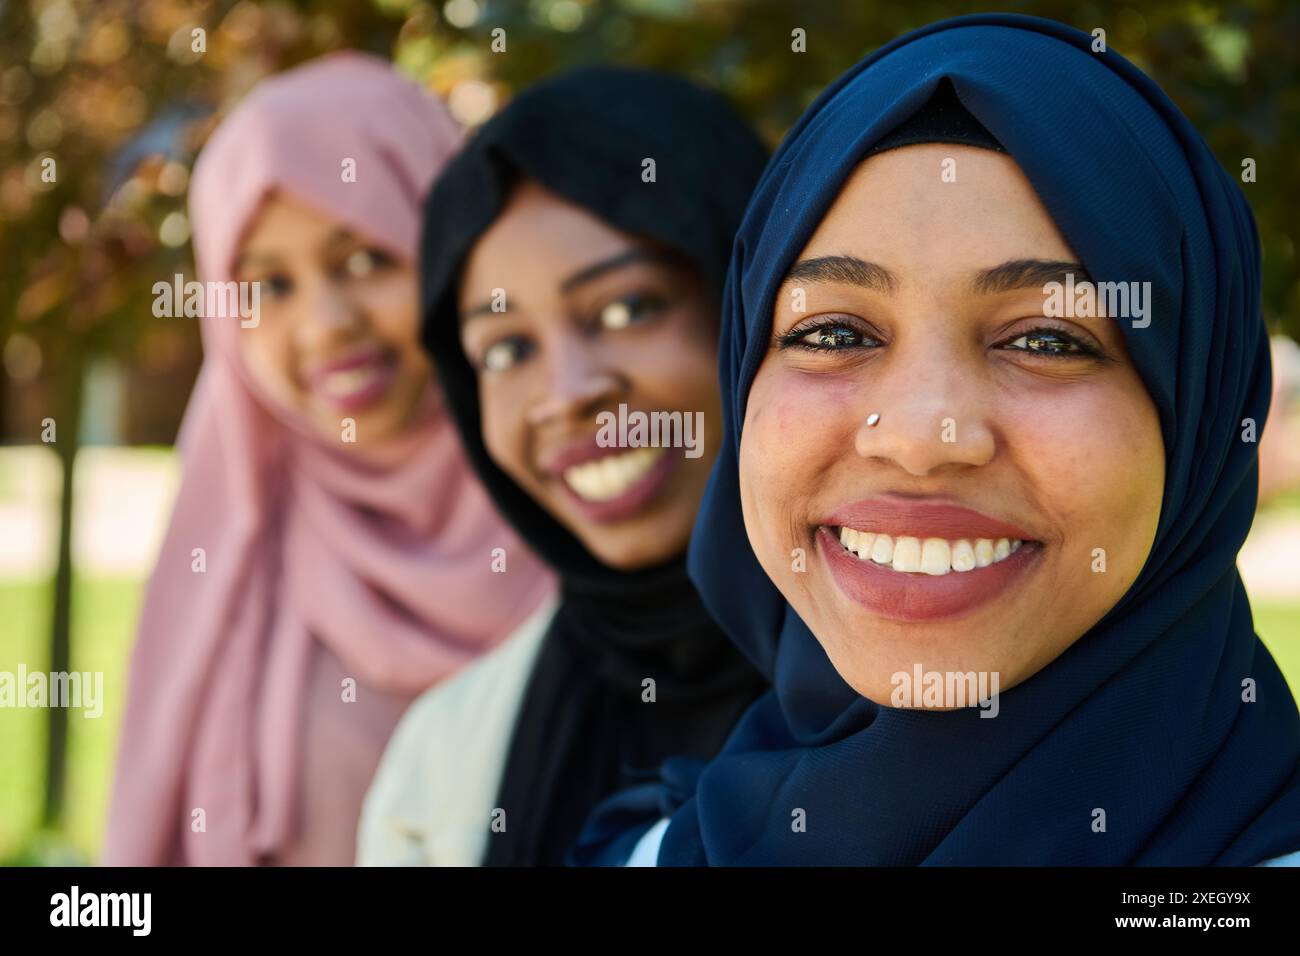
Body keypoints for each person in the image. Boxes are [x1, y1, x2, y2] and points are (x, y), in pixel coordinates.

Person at [575, 15, 1300, 867]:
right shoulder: (663, 851)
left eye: (1047, 339)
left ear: (1200, 420)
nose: (922, 438)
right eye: (835, 331)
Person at [103, 52, 553, 866]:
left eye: (366, 259)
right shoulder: (236, 528)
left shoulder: (582, 499)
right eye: (268, 287)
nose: (326, 326)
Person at [357, 67, 769, 866]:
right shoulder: (443, 762)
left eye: (627, 308)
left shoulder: (945, 692)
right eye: (507, 350)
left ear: (748, 301)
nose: (567, 394)